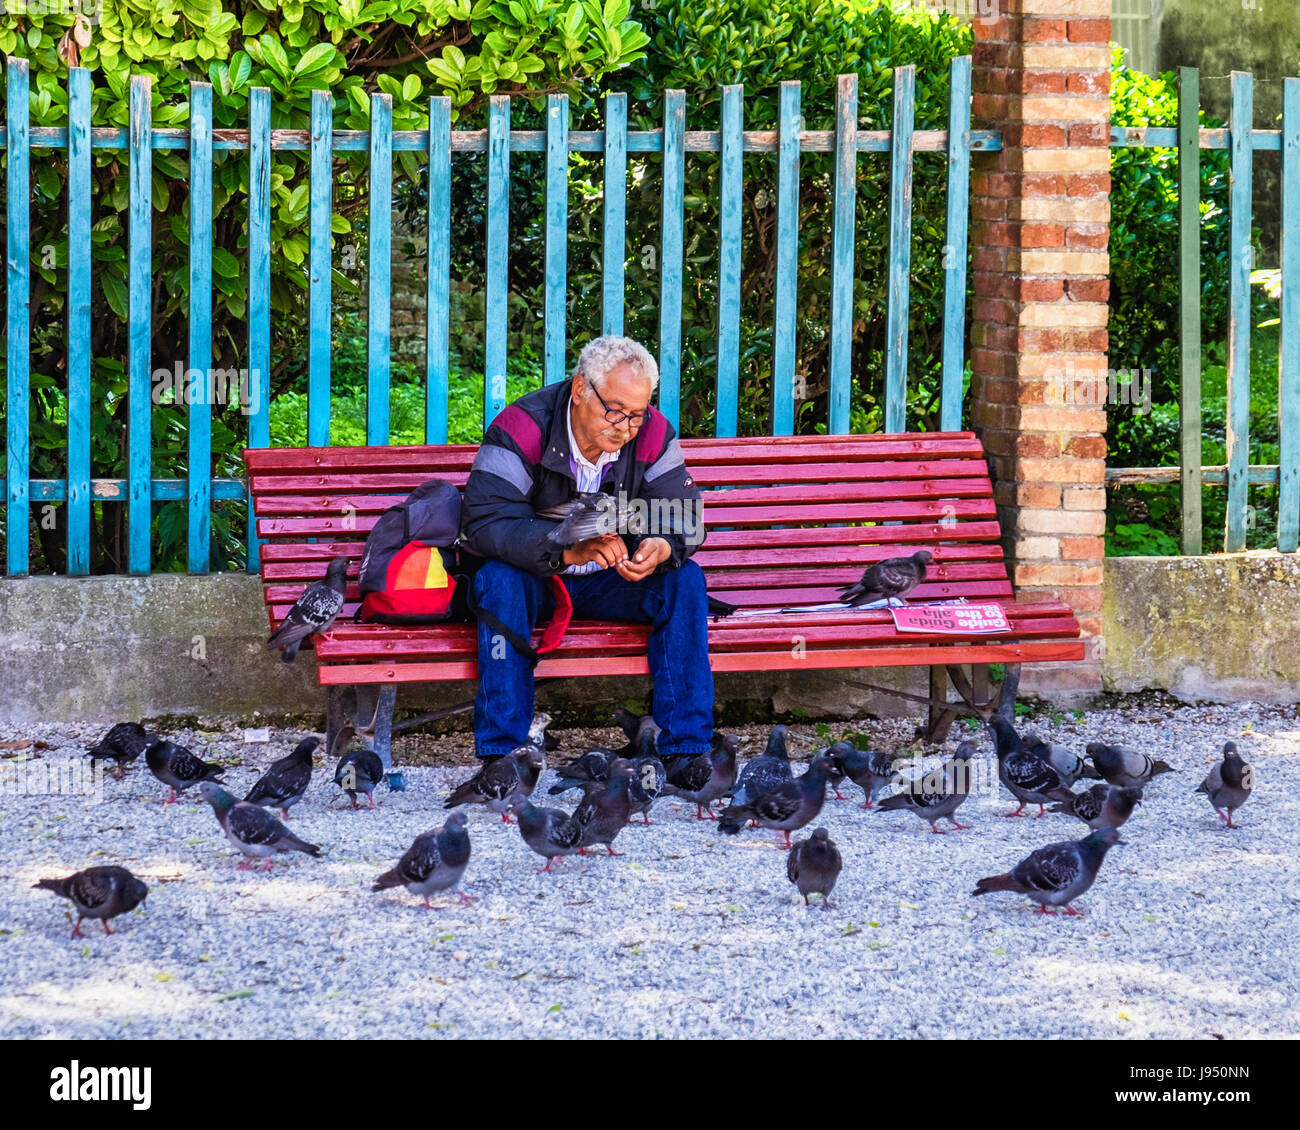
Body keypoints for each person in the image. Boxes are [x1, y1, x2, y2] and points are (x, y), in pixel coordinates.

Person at [461, 335, 714, 762]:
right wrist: (564, 551)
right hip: (537, 577)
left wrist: (662, 545)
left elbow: (685, 516)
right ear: (580, 389)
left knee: (684, 580)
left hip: (612, 579)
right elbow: (486, 522)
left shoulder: (652, 433)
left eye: (636, 414)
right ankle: (502, 758)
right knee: (496, 581)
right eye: (614, 410)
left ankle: (685, 752)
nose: (625, 427)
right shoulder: (522, 427)